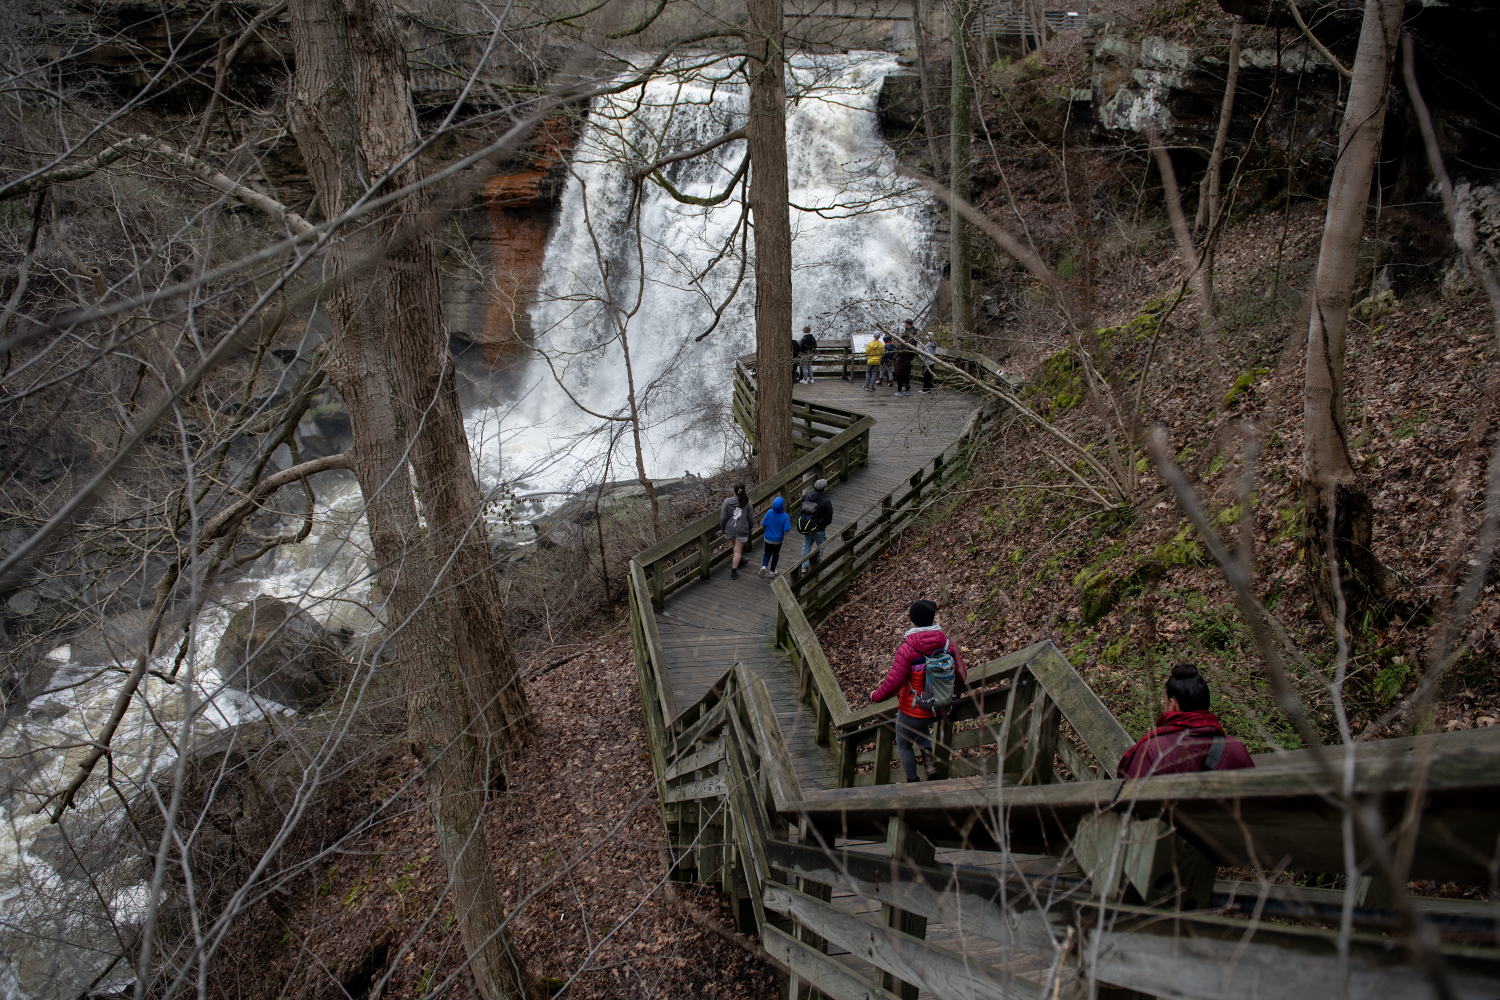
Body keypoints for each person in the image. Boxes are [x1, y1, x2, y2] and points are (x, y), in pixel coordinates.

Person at [869, 600, 969, 782]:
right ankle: (929, 763)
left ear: (913, 620)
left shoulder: (907, 649)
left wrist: (875, 696)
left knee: (904, 743)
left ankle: (913, 783)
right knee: (921, 723)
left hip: (914, 710)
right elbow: (961, 677)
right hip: (941, 707)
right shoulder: (948, 643)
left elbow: (893, 684)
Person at [1117, 663, 1255, 778]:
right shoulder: (1236, 748)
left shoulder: (1151, 750)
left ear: (1173, 705)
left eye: (1165, 703)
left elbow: (1130, 799)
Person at [796, 478, 834, 573]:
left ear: (814, 486)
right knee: (821, 544)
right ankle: (815, 564)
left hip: (806, 527)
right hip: (819, 529)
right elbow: (828, 518)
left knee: (806, 545)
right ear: (823, 489)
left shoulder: (805, 496)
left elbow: (801, 511)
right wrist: (822, 525)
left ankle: (804, 566)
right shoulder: (826, 501)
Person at [719, 483, 754, 580]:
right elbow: (751, 519)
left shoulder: (727, 502)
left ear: (733, 490)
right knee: (738, 550)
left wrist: (723, 529)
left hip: (730, 529)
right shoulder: (748, 502)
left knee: (736, 548)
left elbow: (723, 518)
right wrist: (749, 528)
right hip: (742, 529)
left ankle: (739, 561)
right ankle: (734, 571)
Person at [759, 496, 792, 579]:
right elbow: (787, 529)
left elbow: (763, 524)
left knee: (767, 553)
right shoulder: (785, 516)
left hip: (768, 538)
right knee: (776, 554)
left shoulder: (769, 512)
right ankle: (772, 571)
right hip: (778, 540)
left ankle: (764, 566)